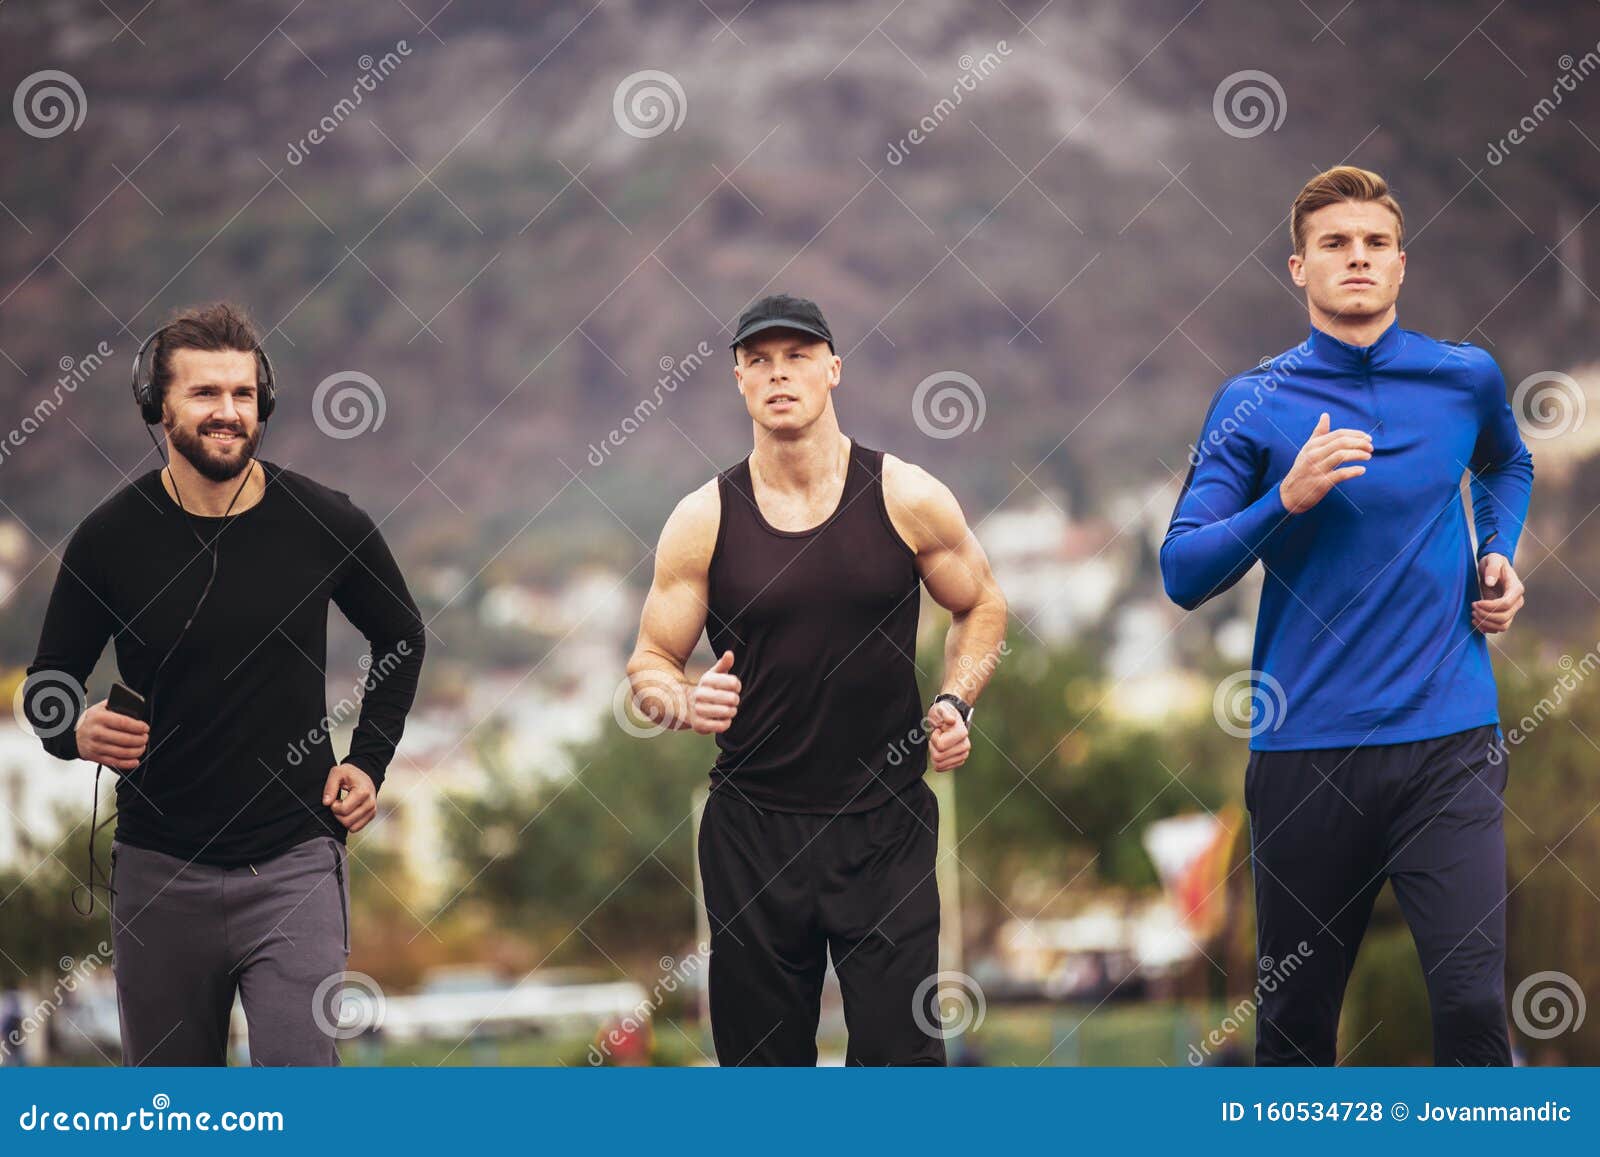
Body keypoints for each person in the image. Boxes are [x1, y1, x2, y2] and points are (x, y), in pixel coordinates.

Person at [1162, 167, 1534, 1065]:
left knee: (1472, 1000)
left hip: (1449, 742)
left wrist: (1497, 547)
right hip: (1306, 752)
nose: (1357, 257)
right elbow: (1182, 568)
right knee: (1295, 1026)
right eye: (1334, 243)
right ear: (1299, 268)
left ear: (1402, 263)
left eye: (1375, 243)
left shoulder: (1463, 378)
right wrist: (1283, 499)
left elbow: (1507, 462)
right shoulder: (1252, 403)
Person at [22, 302, 426, 1066]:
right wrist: (72, 730)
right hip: (158, 872)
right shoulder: (109, 538)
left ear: (264, 401)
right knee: (175, 1113)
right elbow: (48, 684)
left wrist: (368, 761)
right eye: (205, 392)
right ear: (158, 405)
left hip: (294, 862)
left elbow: (402, 636)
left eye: (243, 393)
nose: (228, 411)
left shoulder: (324, 521)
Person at [627, 293, 1007, 1065]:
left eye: (797, 356)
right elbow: (649, 664)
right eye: (759, 360)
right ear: (738, 379)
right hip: (753, 833)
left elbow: (983, 605)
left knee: (903, 1066)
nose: (779, 374)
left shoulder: (904, 495)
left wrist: (955, 699)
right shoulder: (704, 518)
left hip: (885, 826)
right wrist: (686, 700)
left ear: (832, 369)